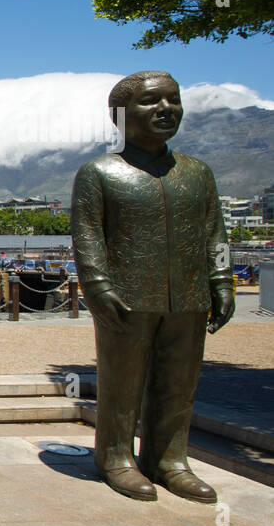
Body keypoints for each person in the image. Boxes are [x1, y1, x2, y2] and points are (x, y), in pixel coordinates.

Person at [71, 71, 233, 503]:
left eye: (173, 99)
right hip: (126, 297)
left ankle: (169, 460)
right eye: (150, 101)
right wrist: (98, 286)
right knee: (121, 382)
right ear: (120, 115)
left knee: (179, 382)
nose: (165, 108)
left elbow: (215, 232)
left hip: (189, 296)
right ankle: (115, 457)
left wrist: (221, 279)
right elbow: (88, 238)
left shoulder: (198, 173)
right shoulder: (99, 173)